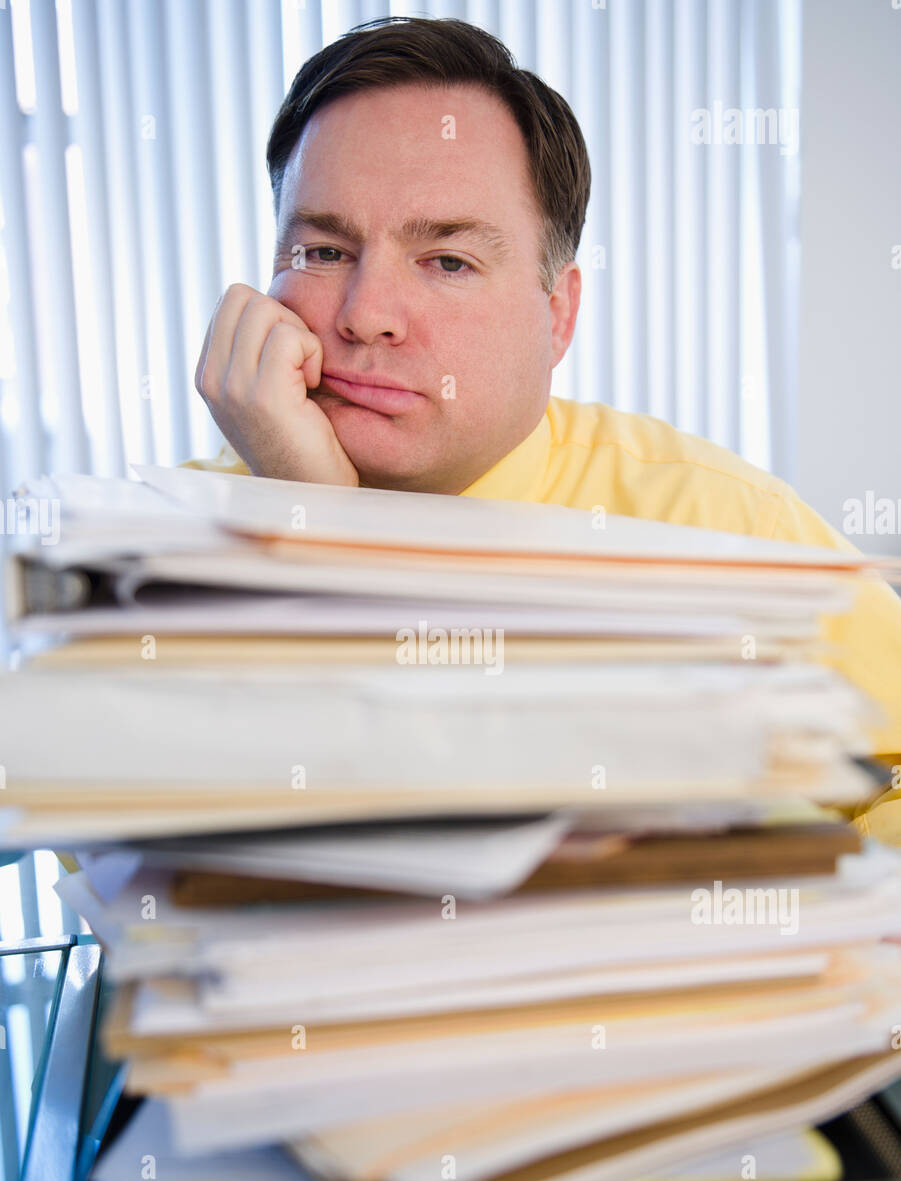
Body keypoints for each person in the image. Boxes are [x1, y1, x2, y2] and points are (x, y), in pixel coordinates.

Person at [189, 15, 901, 845]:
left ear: (556, 315)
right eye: (322, 251)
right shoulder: (150, 554)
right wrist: (309, 529)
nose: (364, 315)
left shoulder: (730, 530)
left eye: (447, 260)